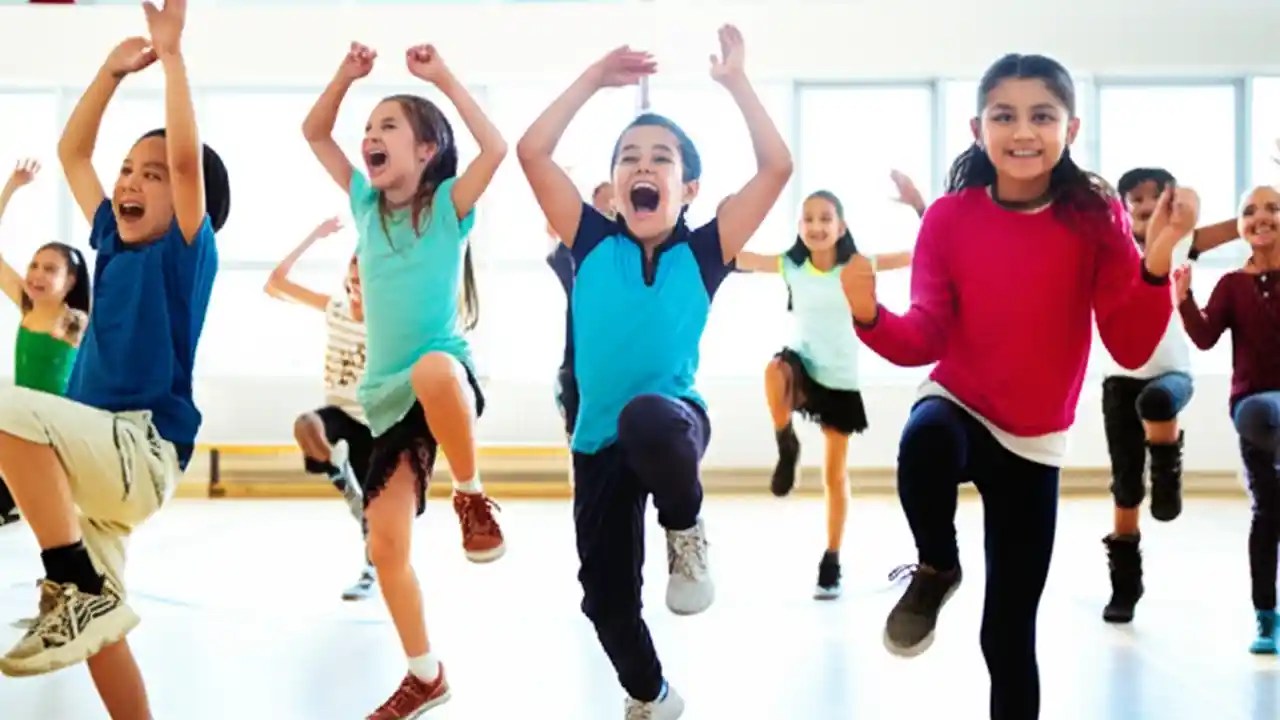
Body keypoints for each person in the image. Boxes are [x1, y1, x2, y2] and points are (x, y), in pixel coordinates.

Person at [842, 53, 1195, 719]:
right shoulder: (948, 218)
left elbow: (1126, 341)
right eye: (1004, 115)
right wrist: (869, 315)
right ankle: (937, 569)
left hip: (1034, 441)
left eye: (1042, 115)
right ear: (978, 129)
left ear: (1071, 127)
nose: (1023, 131)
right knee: (925, 445)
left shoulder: (1096, 217)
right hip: (960, 400)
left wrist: (1159, 253)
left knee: (1007, 635)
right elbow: (924, 337)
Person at [517, 25, 792, 719]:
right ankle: (651, 694)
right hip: (596, 446)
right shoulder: (588, 241)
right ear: (613, 184)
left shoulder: (705, 253)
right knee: (603, 600)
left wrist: (737, 84)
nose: (644, 165)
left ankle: (686, 529)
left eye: (661, 158)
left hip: (673, 424)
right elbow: (531, 152)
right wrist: (590, 78)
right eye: (630, 158)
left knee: (648, 414)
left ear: (687, 186)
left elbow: (776, 169)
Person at [0, 6, 231, 720]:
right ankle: (83, 596)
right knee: (104, 633)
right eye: (129, 169)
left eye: (152, 175)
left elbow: (189, 161)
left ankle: (70, 580)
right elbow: (74, 154)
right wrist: (107, 74)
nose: (130, 181)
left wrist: (171, 59)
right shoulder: (111, 239)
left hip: (139, 448)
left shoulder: (183, 254)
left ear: (191, 203)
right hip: (93, 463)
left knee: (6, 410)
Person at [302, 39, 507, 718]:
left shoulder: (448, 205)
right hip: (386, 401)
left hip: (443, 375)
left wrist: (443, 76)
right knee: (383, 543)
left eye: (388, 125)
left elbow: (494, 148)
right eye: (369, 129)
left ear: (426, 151)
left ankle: (472, 496)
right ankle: (425, 673)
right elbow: (315, 131)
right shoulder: (364, 204)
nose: (369, 136)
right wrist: (346, 75)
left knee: (432, 368)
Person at [734, 188, 911, 599]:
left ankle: (831, 559)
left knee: (834, 475)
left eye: (825, 219)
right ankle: (786, 443)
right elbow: (737, 256)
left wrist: (920, 208)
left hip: (839, 382)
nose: (816, 226)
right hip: (803, 367)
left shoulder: (858, 266)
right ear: (799, 227)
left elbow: (916, 256)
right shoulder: (791, 266)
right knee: (774, 370)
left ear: (841, 226)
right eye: (808, 219)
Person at [1099, 166, 1241, 623]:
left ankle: (1167, 477)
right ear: (1122, 208)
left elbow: (1241, 226)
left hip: (1172, 373)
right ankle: (1125, 583)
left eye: (1154, 198)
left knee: (1156, 402)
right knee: (1124, 487)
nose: (1144, 206)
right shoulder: (1111, 256)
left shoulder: (1183, 243)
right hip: (1119, 379)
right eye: (1135, 199)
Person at [1175, 184, 1280, 655]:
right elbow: (1203, 338)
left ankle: (1266, 618)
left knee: (1270, 513)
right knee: (1267, 507)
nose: (1261, 217)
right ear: (1239, 226)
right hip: (1254, 406)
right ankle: (1266, 616)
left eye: (1273, 208)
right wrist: (1182, 298)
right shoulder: (1232, 286)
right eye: (1249, 211)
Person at [263, 217, 376, 601]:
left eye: (367, 283)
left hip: (376, 422)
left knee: (375, 516)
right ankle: (340, 476)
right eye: (354, 279)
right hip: (340, 414)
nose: (358, 289)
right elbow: (275, 283)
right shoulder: (337, 310)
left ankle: (371, 570)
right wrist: (314, 235)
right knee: (305, 424)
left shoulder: (392, 322)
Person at [0, 159, 91, 528]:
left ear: (70, 282)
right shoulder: (27, 304)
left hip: (52, 432)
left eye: (50, 269)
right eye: (35, 265)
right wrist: (11, 187)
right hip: (21, 424)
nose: (36, 274)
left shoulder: (72, 322)